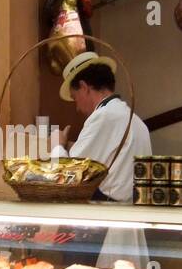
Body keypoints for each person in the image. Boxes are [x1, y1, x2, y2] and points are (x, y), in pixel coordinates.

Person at [49, 51, 152, 202]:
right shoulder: (136, 121)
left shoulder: (103, 116)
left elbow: (68, 175)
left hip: (110, 214)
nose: (77, 107)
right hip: (129, 214)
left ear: (84, 87)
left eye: (74, 98)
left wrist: (56, 145)